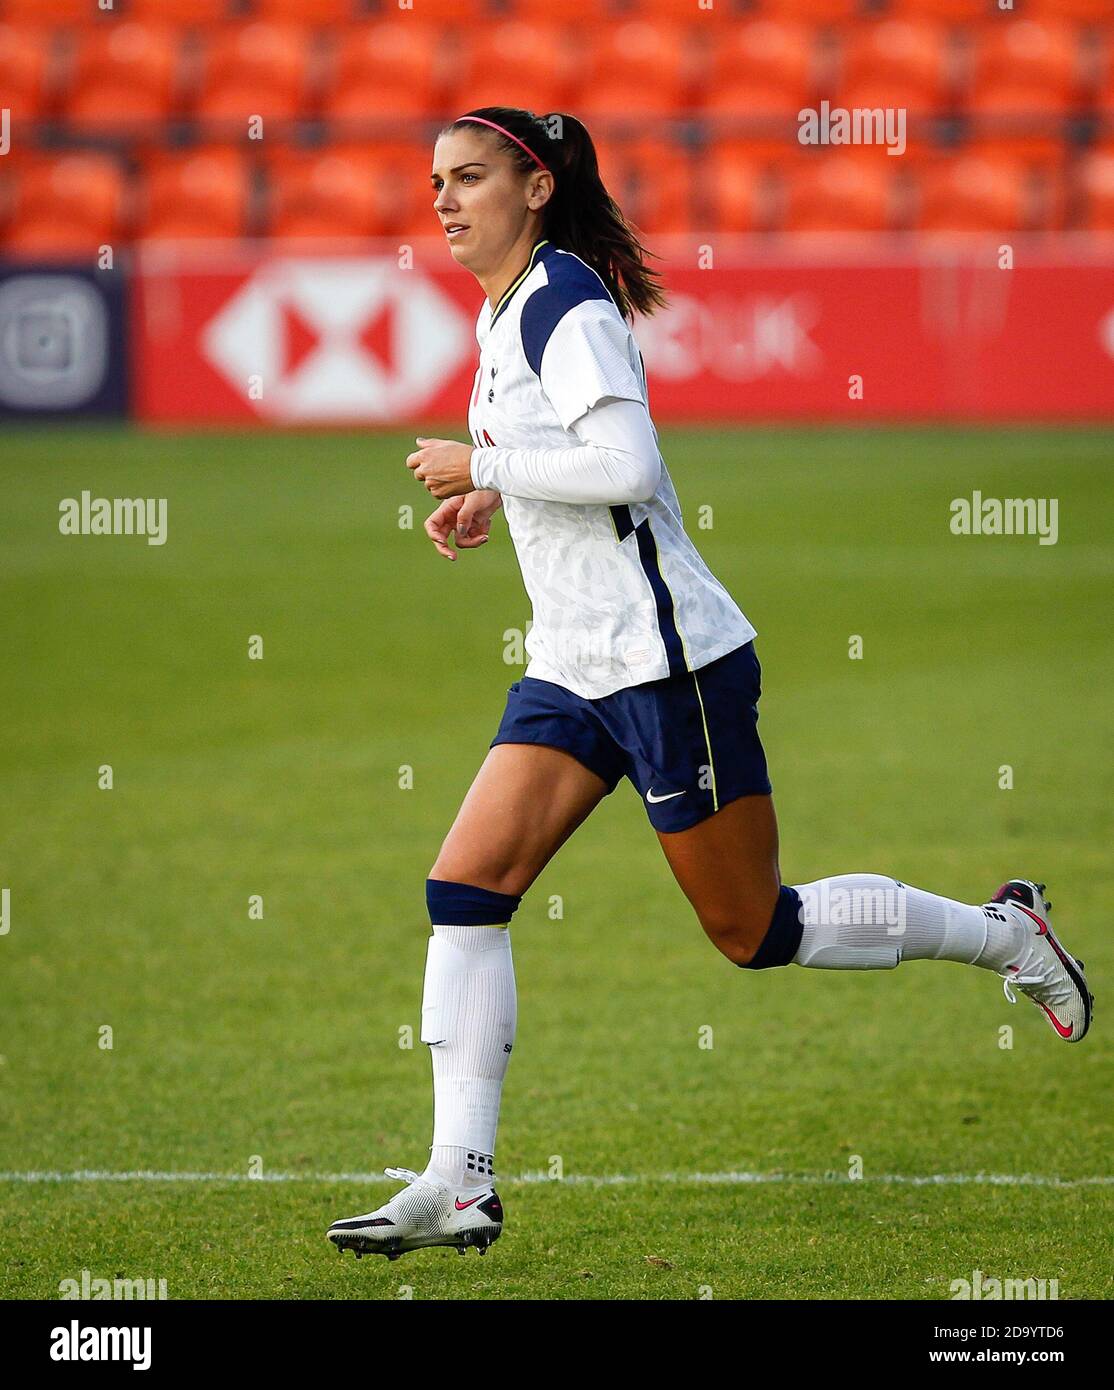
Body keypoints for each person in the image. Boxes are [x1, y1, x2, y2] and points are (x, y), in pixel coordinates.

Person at [327, 108, 1092, 1262]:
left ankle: (1006, 935)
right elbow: (574, 463)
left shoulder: (563, 299)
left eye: (469, 177)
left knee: (753, 929)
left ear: (533, 187)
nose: (441, 200)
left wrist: (480, 462)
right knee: (466, 888)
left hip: (666, 666)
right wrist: (495, 497)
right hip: (574, 664)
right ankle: (459, 1180)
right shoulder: (507, 307)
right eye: (433, 180)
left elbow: (627, 462)